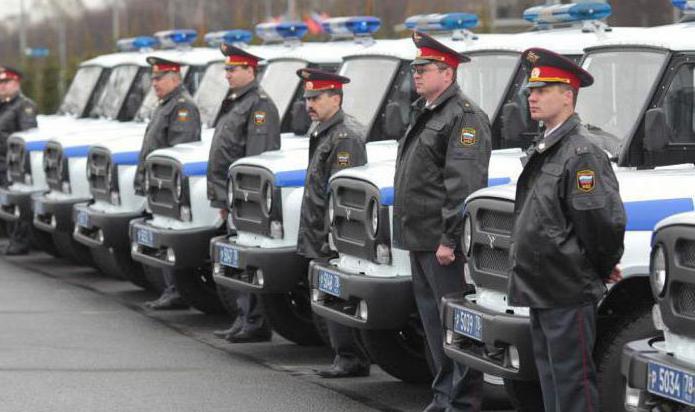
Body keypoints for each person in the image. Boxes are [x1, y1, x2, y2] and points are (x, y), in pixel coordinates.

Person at [507, 47, 626, 412]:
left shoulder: (581, 152)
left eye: (543, 90)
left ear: (568, 95)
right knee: (551, 378)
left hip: (566, 285)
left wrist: (602, 266)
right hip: (543, 285)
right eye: (531, 91)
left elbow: (601, 223)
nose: (533, 97)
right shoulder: (549, 146)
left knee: (572, 381)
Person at [393, 32, 490, 411]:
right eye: (415, 68)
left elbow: (462, 186)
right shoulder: (428, 110)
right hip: (420, 238)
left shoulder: (463, 117)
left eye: (424, 68)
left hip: (440, 242)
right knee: (434, 325)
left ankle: (462, 400)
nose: (416, 74)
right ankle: (443, 395)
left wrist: (450, 239)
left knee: (455, 324)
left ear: (447, 73)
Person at [295, 68, 370, 378]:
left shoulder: (345, 137)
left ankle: (350, 357)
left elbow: (345, 195)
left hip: (334, 236)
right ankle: (344, 354)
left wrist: (333, 236)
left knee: (337, 295)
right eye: (307, 98)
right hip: (319, 232)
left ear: (336, 98)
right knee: (327, 295)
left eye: (316, 97)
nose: (309, 104)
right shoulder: (323, 131)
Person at [208, 44, 280, 343]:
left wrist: (242, 198)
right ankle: (244, 316)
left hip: (245, 197)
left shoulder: (259, 105)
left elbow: (256, 159)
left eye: (233, 69)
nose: (227, 74)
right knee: (236, 259)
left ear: (250, 70)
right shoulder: (237, 101)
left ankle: (255, 321)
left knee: (248, 259)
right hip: (231, 194)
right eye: (226, 69)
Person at [135, 57, 201, 310]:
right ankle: (171, 289)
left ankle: (178, 291)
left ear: (175, 78)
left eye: (159, 78)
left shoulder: (182, 107)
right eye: (152, 78)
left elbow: (178, 151)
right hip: (158, 185)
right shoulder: (166, 104)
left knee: (171, 237)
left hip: (170, 187)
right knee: (163, 236)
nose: (154, 83)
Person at [0, 66, 38, 255]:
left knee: (14, 202)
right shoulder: (4, 106)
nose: (2, 87)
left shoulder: (24, 106)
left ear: (16, 82)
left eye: (6, 82)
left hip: (12, 163)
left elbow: (27, 136)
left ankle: (20, 240)